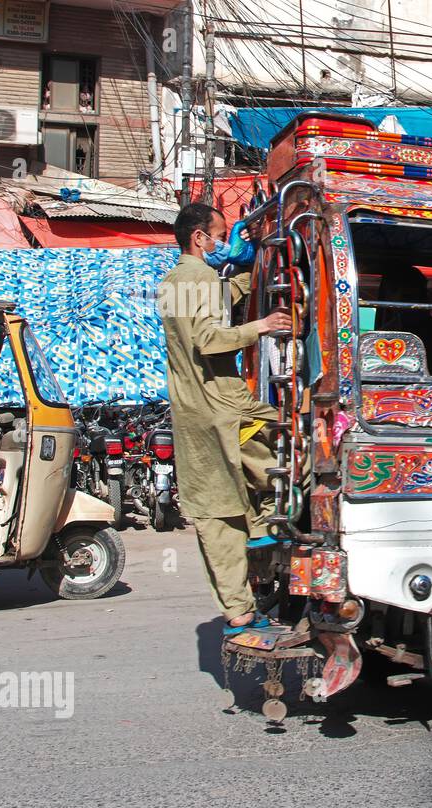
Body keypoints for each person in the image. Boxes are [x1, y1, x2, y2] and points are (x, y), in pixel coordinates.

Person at [158, 203, 290, 636]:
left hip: (194, 410)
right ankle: (265, 527)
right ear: (199, 237)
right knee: (290, 447)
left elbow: (216, 300)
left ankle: (239, 608)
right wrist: (263, 326)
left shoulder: (174, 281)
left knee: (217, 513)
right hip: (223, 407)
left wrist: (246, 271)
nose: (221, 242)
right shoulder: (196, 278)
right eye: (218, 235)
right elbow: (208, 338)